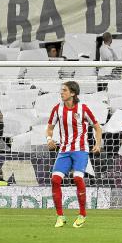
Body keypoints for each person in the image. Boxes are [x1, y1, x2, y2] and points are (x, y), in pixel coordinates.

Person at [46, 81, 102, 228]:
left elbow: (97, 127)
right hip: (64, 151)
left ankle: (82, 214)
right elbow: (50, 128)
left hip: (80, 150)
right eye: (61, 90)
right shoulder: (57, 109)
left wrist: (97, 143)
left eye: (64, 90)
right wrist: (49, 139)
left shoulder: (83, 109)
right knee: (55, 180)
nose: (61, 92)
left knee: (77, 178)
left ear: (72, 93)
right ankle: (60, 217)